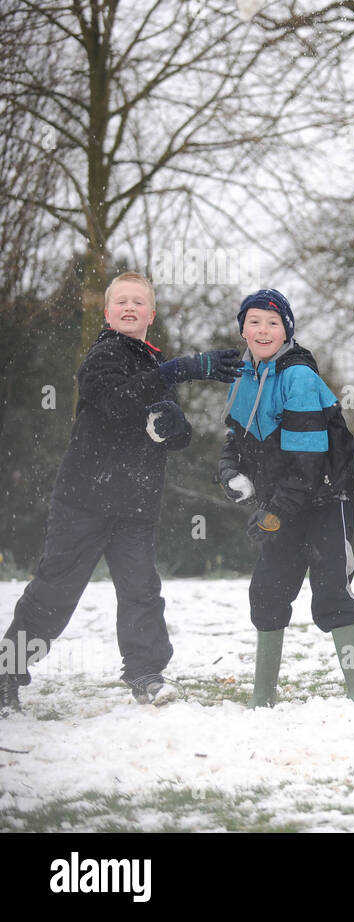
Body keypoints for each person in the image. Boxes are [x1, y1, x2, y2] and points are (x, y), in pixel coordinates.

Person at [1, 272, 240, 713]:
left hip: (135, 505)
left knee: (141, 592)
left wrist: (174, 427)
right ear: (108, 313)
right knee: (55, 592)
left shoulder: (152, 363)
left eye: (138, 302)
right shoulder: (102, 354)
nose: (129, 308)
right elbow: (116, 400)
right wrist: (185, 367)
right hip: (84, 502)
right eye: (121, 302)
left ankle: (146, 674)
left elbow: (174, 432)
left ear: (151, 314)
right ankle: (7, 675)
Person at [216, 288, 354, 707]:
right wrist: (228, 470)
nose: (263, 329)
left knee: (331, 594)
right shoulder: (241, 376)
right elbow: (234, 439)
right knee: (267, 593)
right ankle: (262, 697)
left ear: (286, 329)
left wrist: (272, 514)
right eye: (254, 321)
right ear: (243, 330)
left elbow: (307, 465)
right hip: (282, 505)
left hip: (324, 501)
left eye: (273, 322)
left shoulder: (299, 377)